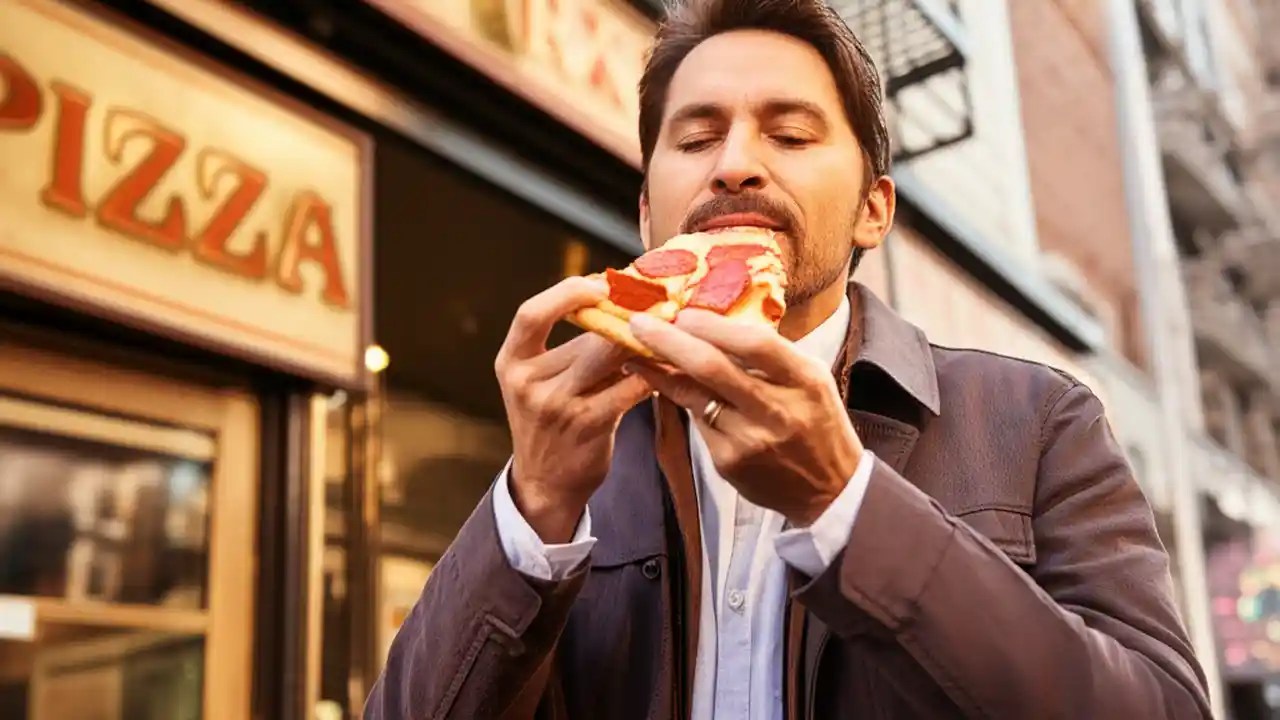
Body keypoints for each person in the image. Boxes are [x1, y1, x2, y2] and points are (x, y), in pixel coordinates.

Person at [364, 0, 1212, 717]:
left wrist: (845, 501)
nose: (734, 165)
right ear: (648, 218)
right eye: (695, 140)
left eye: (791, 135)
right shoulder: (578, 448)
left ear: (873, 211)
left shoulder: (1036, 422)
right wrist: (534, 505)